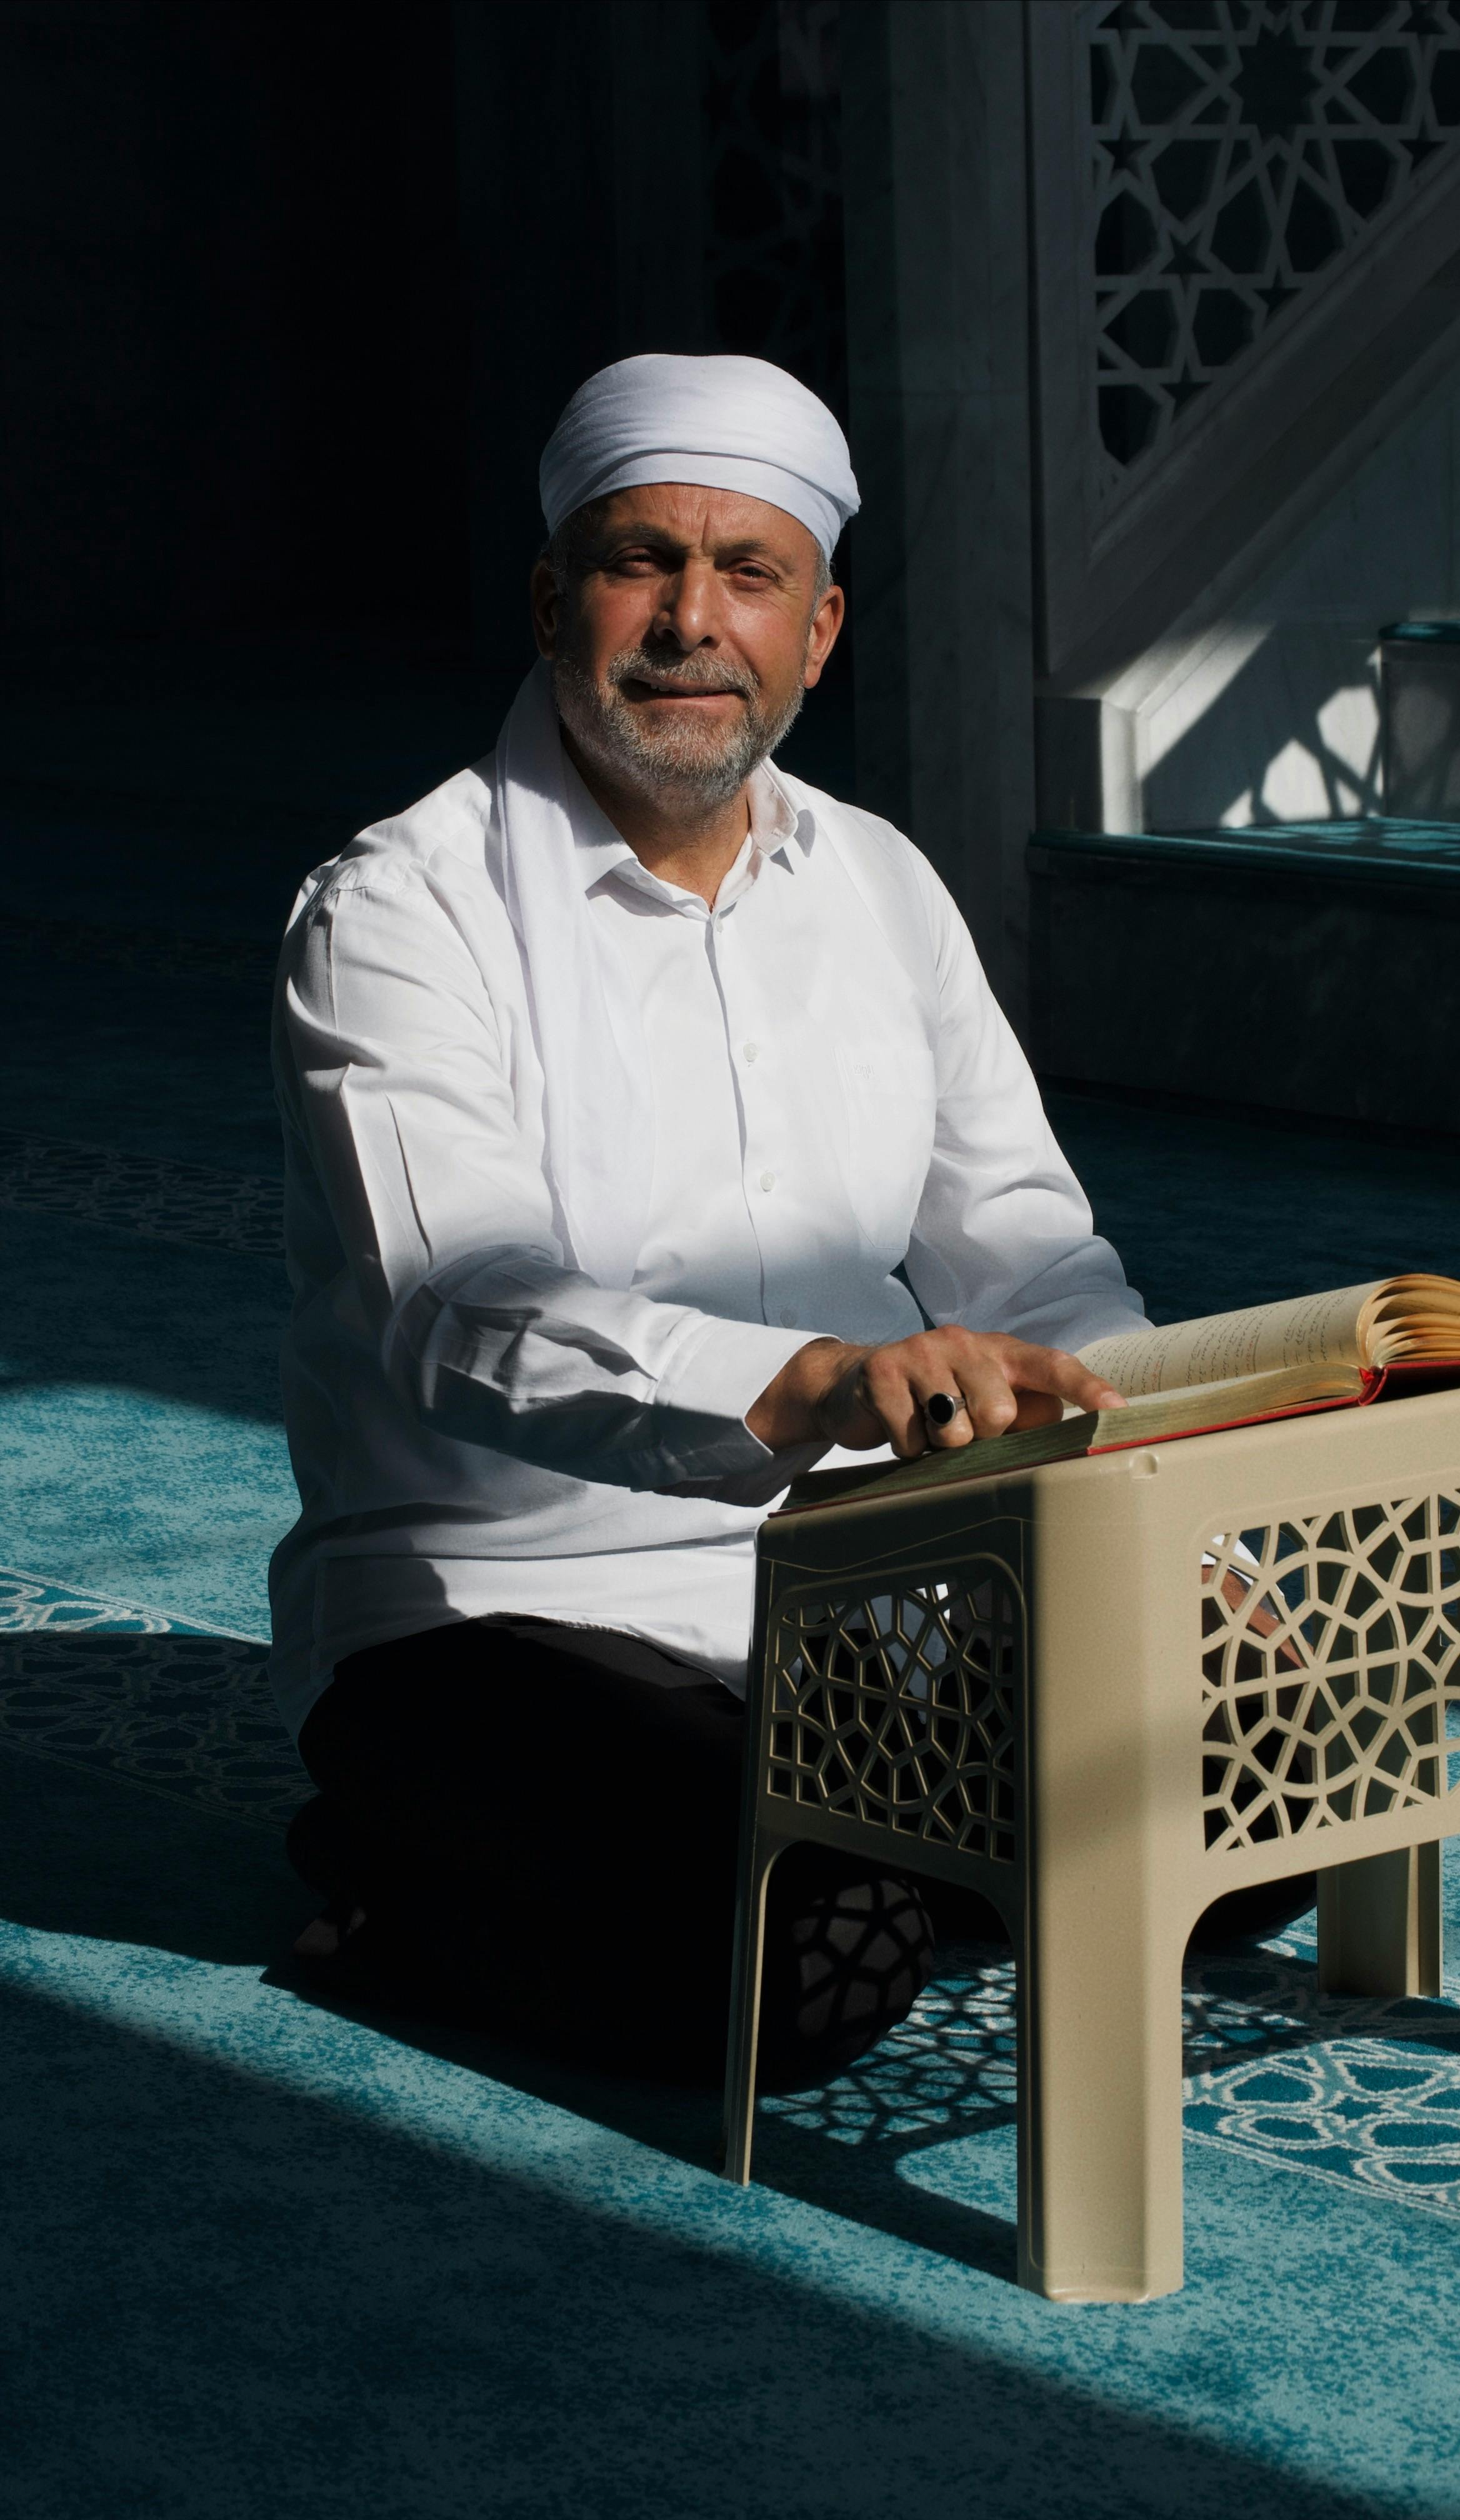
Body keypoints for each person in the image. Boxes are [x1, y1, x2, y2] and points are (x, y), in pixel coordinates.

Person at [271, 352, 1151, 2089]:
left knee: (1271, 1764)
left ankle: (781, 1850)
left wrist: (1170, 1520)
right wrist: (811, 1385)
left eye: (749, 575)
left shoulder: (883, 887)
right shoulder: (398, 909)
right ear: (552, 600)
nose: (692, 620)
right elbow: (461, 1307)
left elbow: (1036, 1258)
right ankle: (389, 1884)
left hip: (848, 1600)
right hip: (488, 1616)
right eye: (638, 563)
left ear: (817, 634)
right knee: (819, 1960)